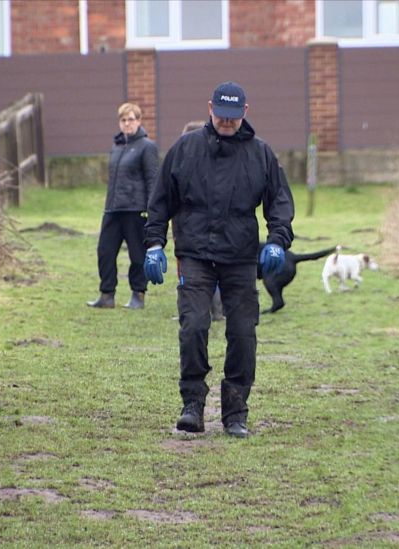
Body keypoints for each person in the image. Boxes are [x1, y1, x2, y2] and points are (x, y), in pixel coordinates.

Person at [144, 82, 294, 438]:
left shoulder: (261, 155)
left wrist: (277, 241)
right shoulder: (185, 149)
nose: (227, 123)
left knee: (243, 332)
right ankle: (192, 404)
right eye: (221, 116)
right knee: (194, 325)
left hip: (240, 257)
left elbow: (280, 204)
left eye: (233, 117)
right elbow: (161, 200)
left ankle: (236, 411)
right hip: (194, 252)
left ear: (246, 111)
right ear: (210, 108)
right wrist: (153, 244)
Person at [87, 102, 159, 309]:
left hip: (136, 209)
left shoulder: (147, 147)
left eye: (131, 119)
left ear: (139, 121)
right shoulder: (116, 147)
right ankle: (107, 294)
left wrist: (151, 209)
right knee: (105, 251)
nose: (127, 123)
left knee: (137, 254)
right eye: (123, 120)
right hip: (113, 209)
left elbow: (152, 179)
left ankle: (138, 294)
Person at [181, 119, 225, 322]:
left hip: (203, 234)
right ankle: (209, 310)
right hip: (188, 233)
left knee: (205, 271)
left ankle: (213, 310)